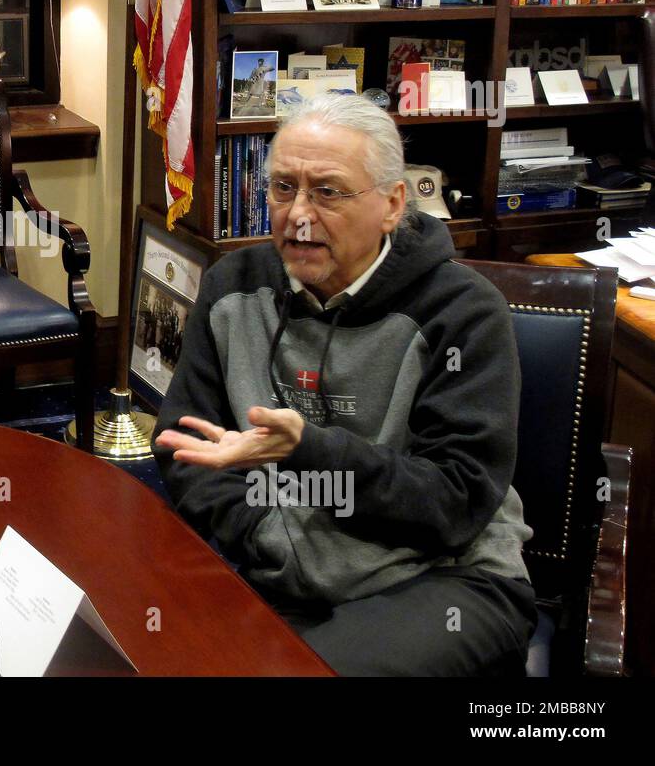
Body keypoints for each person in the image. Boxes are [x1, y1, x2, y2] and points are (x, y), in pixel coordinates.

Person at [153, 93, 536, 676]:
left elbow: (455, 501)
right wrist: (264, 532)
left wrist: (309, 450)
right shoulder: (235, 287)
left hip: (444, 576)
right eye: (283, 188)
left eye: (327, 192)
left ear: (391, 204)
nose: (299, 215)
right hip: (282, 564)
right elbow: (187, 446)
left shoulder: (461, 312)